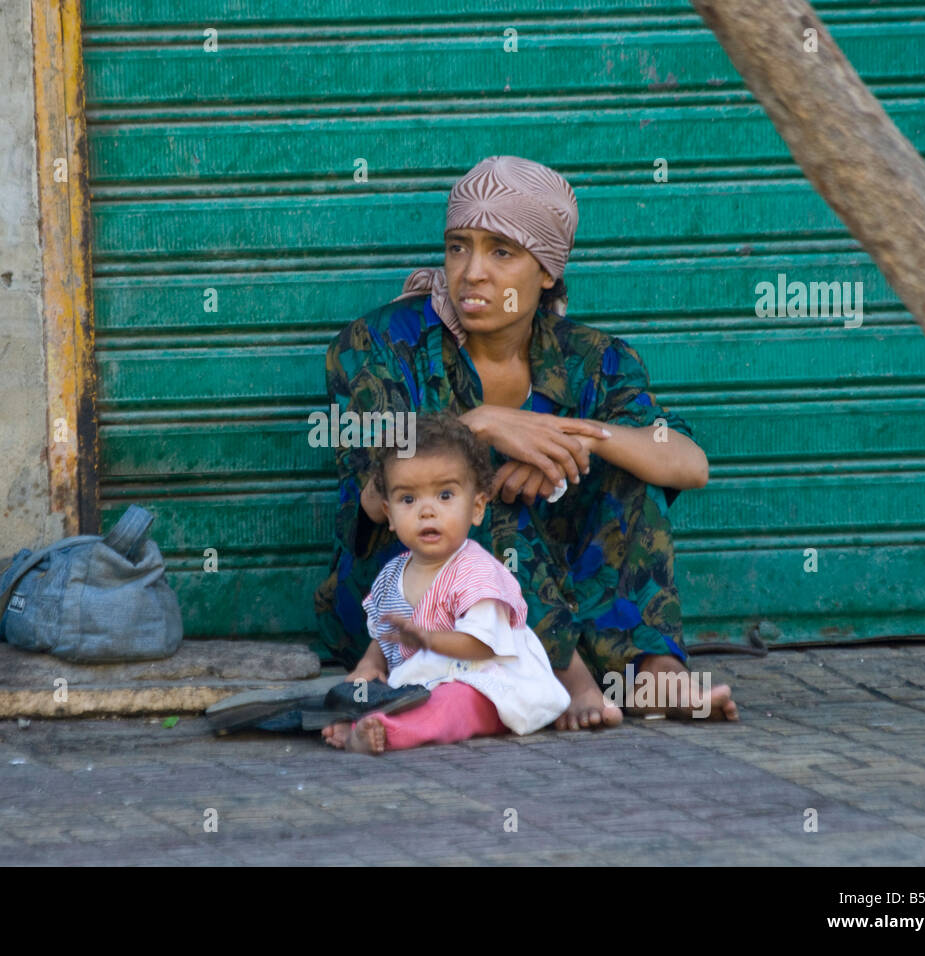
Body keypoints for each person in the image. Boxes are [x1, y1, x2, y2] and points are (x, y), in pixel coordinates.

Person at [313, 155, 739, 727]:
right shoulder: (380, 344)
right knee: (466, 490)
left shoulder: (592, 358)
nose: (472, 272)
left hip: (552, 591)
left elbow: (689, 464)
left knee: (631, 466)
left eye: (501, 252)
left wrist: (571, 444)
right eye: (458, 246)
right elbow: (372, 501)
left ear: (547, 272)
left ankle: (652, 672)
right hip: (407, 604)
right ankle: (570, 681)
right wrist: (480, 427)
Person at [321, 412, 582, 755]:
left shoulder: (475, 572)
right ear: (389, 514)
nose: (427, 511)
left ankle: (391, 731)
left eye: (445, 495)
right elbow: (384, 639)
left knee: (454, 703)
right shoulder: (390, 577)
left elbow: (482, 645)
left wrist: (427, 638)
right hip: (421, 684)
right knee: (360, 690)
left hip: (488, 685)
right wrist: (369, 667)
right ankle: (361, 723)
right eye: (408, 499)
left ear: (476, 508)